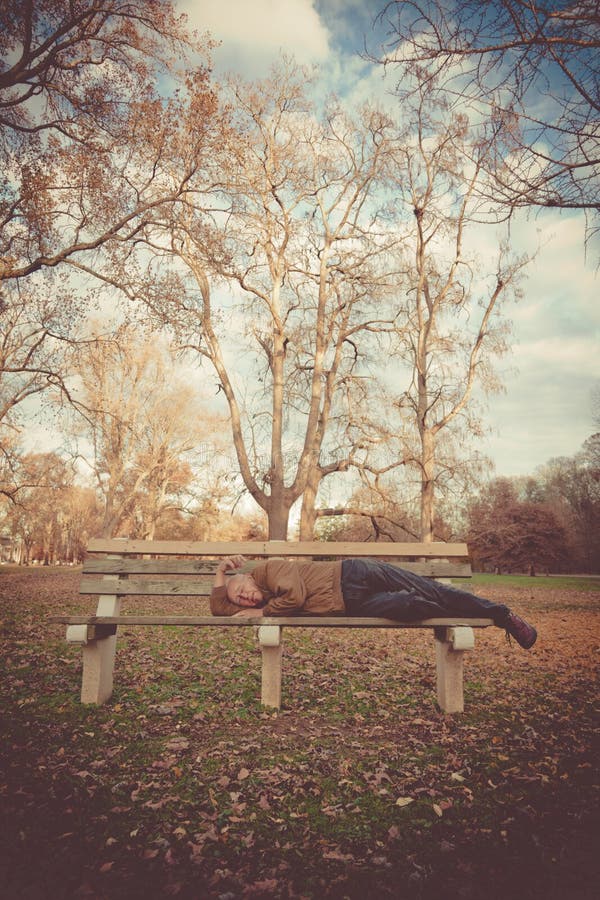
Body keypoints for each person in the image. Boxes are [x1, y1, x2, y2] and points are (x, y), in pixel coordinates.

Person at [210, 555, 537, 649]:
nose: (244, 598)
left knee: (431, 591)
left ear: (248, 576)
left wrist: (260, 610)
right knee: (408, 607)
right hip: (351, 606)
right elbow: (218, 608)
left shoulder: (268, 571)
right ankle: (447, 611)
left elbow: (294, 598)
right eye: (240, 599)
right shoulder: (253, 594)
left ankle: (502, 615)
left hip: (355, 574)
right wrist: (220, 574)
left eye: (242, 590)